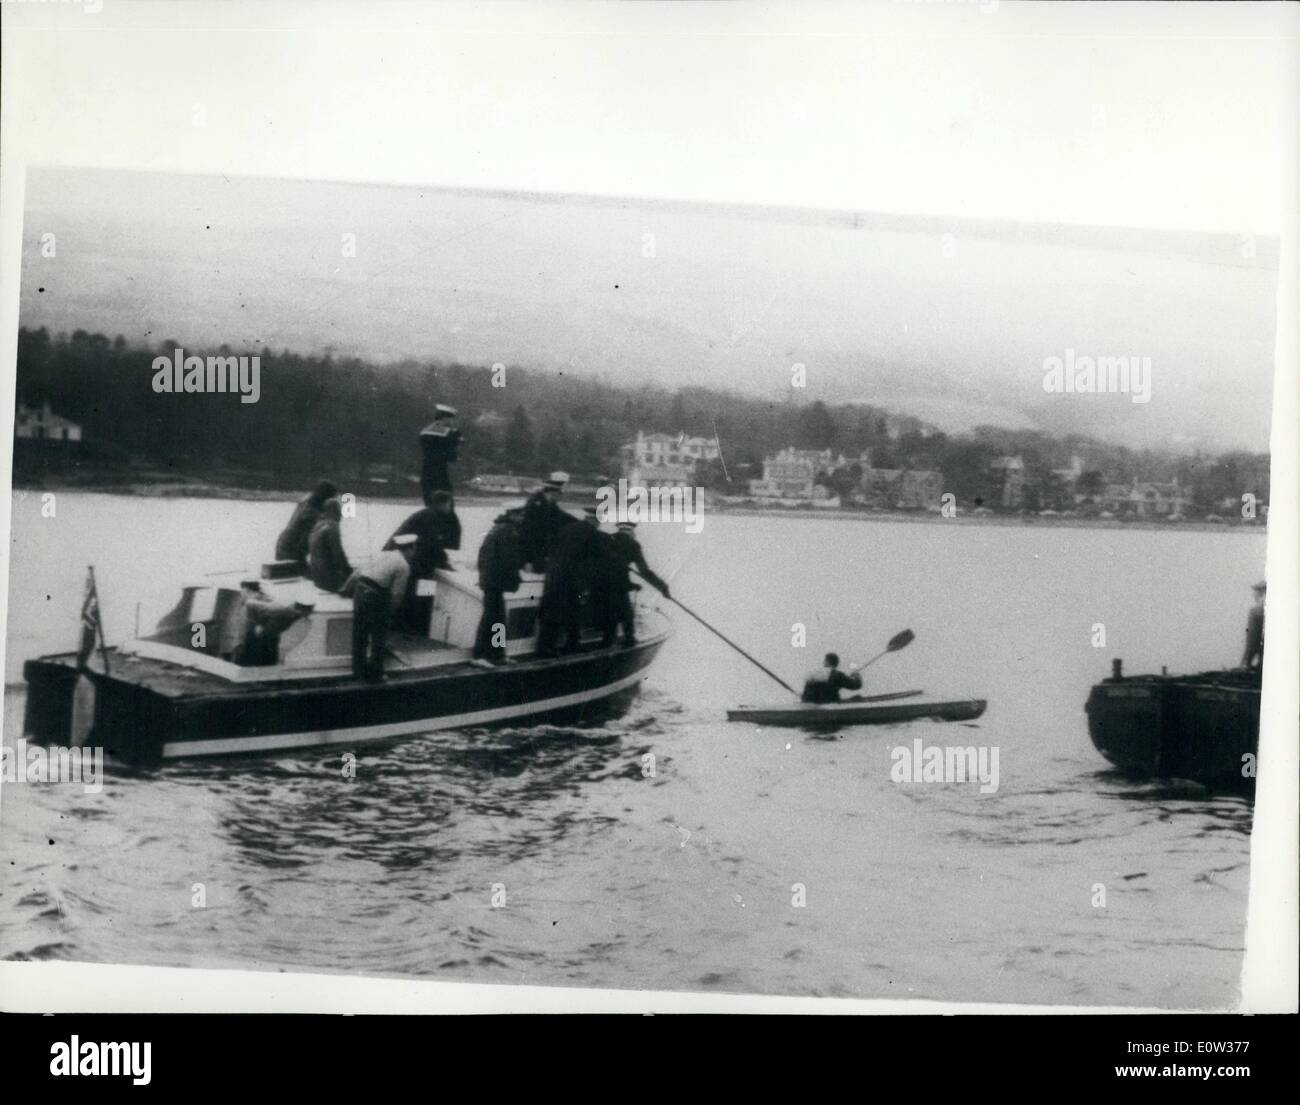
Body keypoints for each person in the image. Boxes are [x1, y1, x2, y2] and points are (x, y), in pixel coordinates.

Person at [383, 490, 459, 631]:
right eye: (449, 504)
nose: (450, 508)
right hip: (409, 561)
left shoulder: (427, 514)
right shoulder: (432, 517)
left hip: (405, 558)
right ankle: (416, 627)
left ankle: (410, 625)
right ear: (442, 504)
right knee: (422, 594)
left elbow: (431, 544)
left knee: (418, 593)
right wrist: (445, 563)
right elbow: (434, 543)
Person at [536, 504, 603, 657]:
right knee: (574, 612)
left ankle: (545, 647)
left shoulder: (567, 528)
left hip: (553, 577)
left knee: (551, 612)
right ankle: (571, 645)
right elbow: (591, 562)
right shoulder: (593, 534)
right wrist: (586, 586)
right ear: (597, 520)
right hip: (572, 580)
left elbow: (551, 549)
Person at [351, 534, 418, 681]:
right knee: (379, 636)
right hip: (374, 596)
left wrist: (344, 589)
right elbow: (397, 594)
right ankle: (376, 674)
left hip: (359, 591)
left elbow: (357, 573)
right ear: (410, 549)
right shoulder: (403, 565)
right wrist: (389, 614)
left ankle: (358, 672)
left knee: (359, 635)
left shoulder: (383, 554)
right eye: (414, 549)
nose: (414, 553)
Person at [595, 520, 670, 647]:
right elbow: (645, 572)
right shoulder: (633, 545)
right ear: (630, 531)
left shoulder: (607, 540)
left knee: (610, 614)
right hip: (620, 586)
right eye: (633, 532)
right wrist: (663, 588)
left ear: (619, 529)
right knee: (626, 615)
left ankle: (606, 642)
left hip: (601, 584)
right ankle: (628, 641)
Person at [472, 506, 524, 665]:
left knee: (497, 618)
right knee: (492, 619)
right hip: (495, 583)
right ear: (513, 515)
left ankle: (497, 654)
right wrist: (515, 579)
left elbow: (482, 556)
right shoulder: (508, 532)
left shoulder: (495, 529)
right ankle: (481, 656)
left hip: (490, 582)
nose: (523, 518)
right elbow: (510, 559)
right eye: (521, 514)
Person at [223, 580, 314, 666]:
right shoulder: (281, 609)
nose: (310, 614)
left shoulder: (294, 614)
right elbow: (250, 605)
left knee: (264, 664)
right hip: (259, 638)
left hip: (266, 638)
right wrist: (258, 624)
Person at [519, 471, 575, 573]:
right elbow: (528, 533)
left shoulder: (548, 503)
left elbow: (562, 516)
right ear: (553, 493)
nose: (560, 497)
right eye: (559, 494)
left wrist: (580, 523)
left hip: (541, 545)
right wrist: (528, 560)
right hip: (533, 546)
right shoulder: (536, 504)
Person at [274, 481, 339, 569]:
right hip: (290, 550)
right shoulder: (311, 513)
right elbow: (318, 543)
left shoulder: (307, 501)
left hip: (285, 545)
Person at [307, 498, 352, 593]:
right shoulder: (332, 526)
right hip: (328, 580)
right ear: (333, 512)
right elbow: (338, 555)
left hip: (316, 577)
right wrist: (350, 573)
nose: (341, 515)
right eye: (339, 511)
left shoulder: (317, 525)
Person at [419, 405, 462, 503]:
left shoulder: (424, 431)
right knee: (445, 506)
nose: (452, 422)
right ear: (446, 418)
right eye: (451, 419)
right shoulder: (448, 433)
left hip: (426, 473)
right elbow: (452, 456)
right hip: (440, 475)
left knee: (430, 505)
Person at [1240, 580, 1266, 669]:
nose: (1253, 595)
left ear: (1262, 592)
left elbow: (1252, 642)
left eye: (1256, 591)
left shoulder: (1256, 611)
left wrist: (1245, 663)